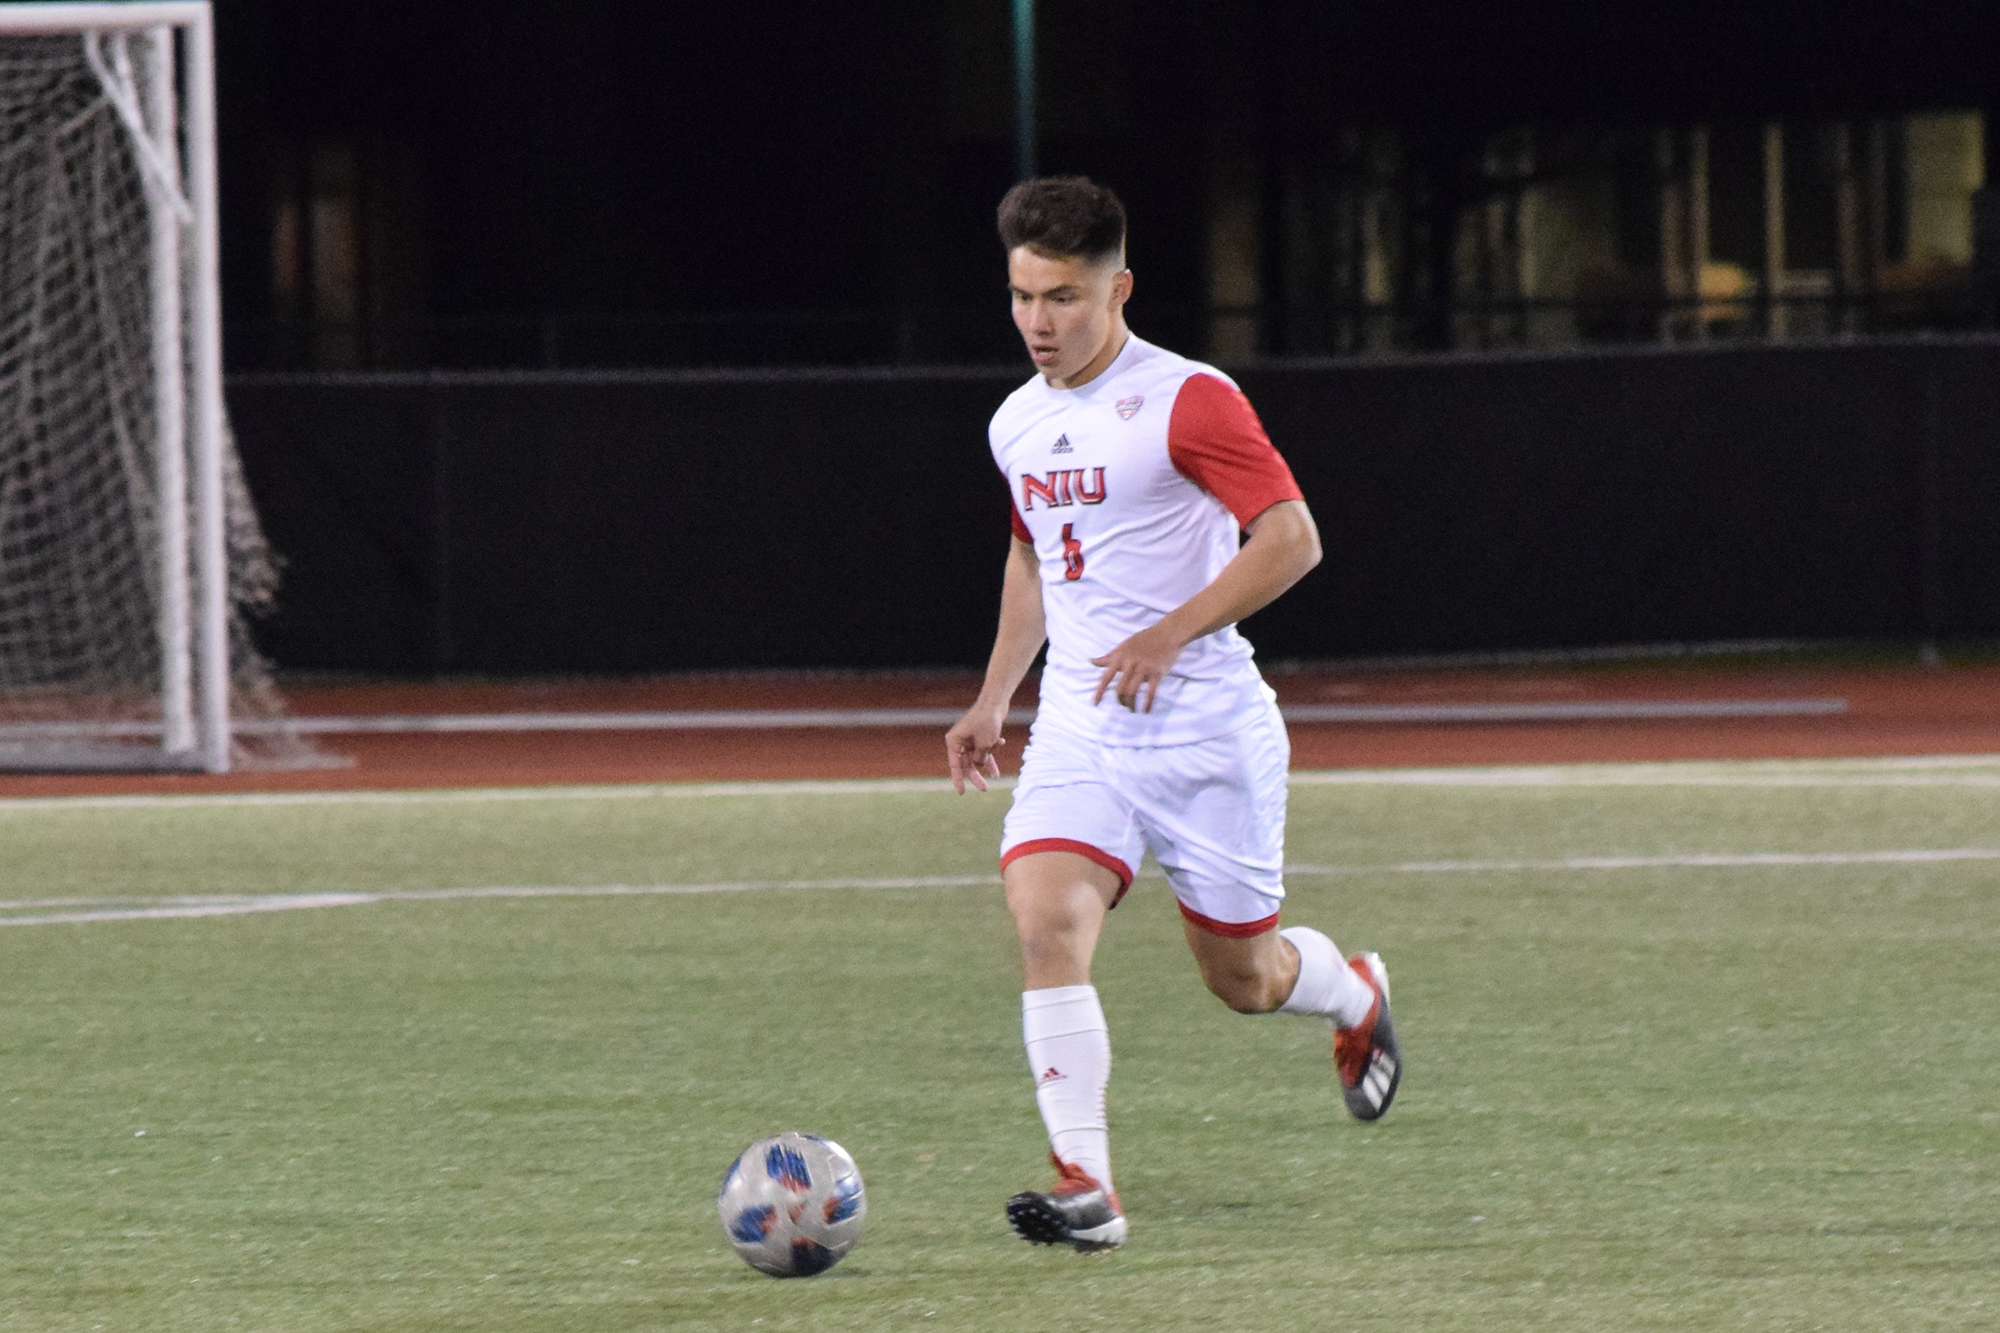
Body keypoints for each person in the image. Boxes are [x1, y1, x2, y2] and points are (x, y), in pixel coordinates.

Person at [945, 176, 1401, 1253]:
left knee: (1242, 981)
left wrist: (1169, 631)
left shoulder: (1189, 398)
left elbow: (1290, 537)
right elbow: (1031, 554)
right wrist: (993, 691)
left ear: (1118, 289)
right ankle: (1086, 1186)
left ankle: (1351, 989)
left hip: (1200, 726)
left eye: (1060, 297)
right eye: (1020, 296)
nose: (1036, 323)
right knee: (1043, 919)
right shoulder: (1016, 421)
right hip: (1079, 727)